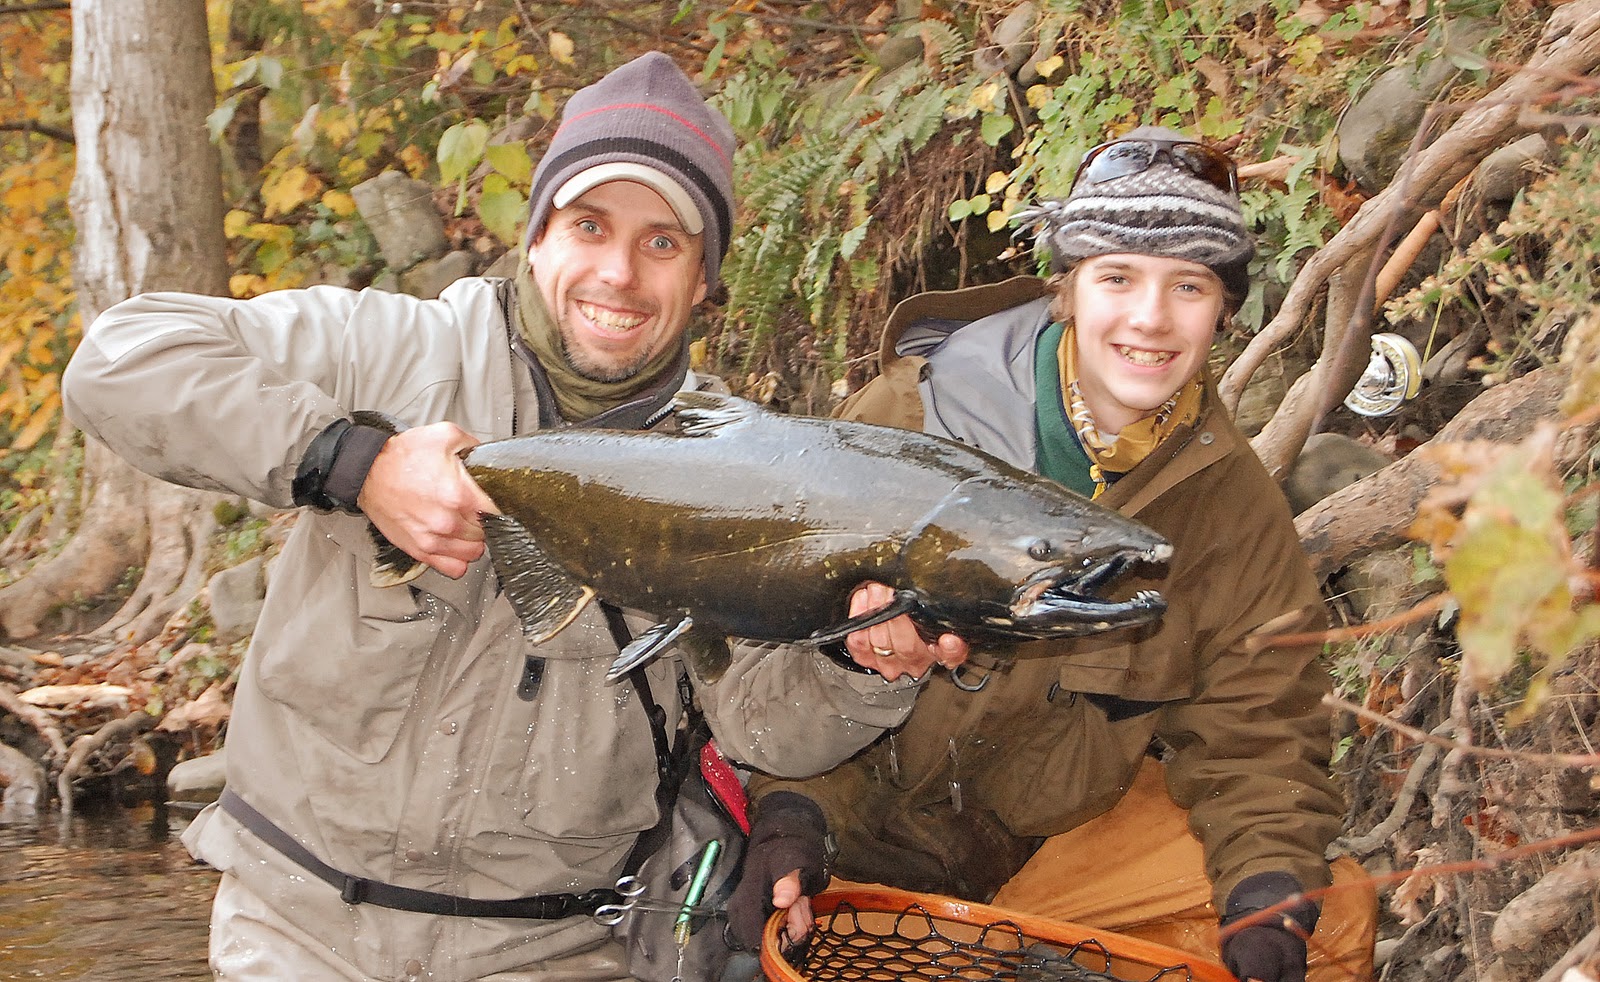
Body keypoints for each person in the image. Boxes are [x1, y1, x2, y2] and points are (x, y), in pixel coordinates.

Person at [62, 52, 965, 981]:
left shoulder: (740, 470)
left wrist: (860, 668)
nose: (618, 272)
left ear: (704, 279)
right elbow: (120, 359)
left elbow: (760, 730)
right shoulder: (391, 352)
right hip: (297, 929)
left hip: (555, 948)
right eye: (589, 226)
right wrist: (353, 461)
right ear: (536, 238)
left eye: (662, 243)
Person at [726, 129, 1378, 982]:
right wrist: (791, 816)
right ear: (1067, 289)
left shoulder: (1232, 510)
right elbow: (758, 657)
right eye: (1118, 278)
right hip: (846, 844)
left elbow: (1259, 732)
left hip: (1047, 858)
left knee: (1328, 916)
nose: (1151, 318)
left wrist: (1266, 895)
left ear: (1224, 310)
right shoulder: (902, 423)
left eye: (1189, 285)